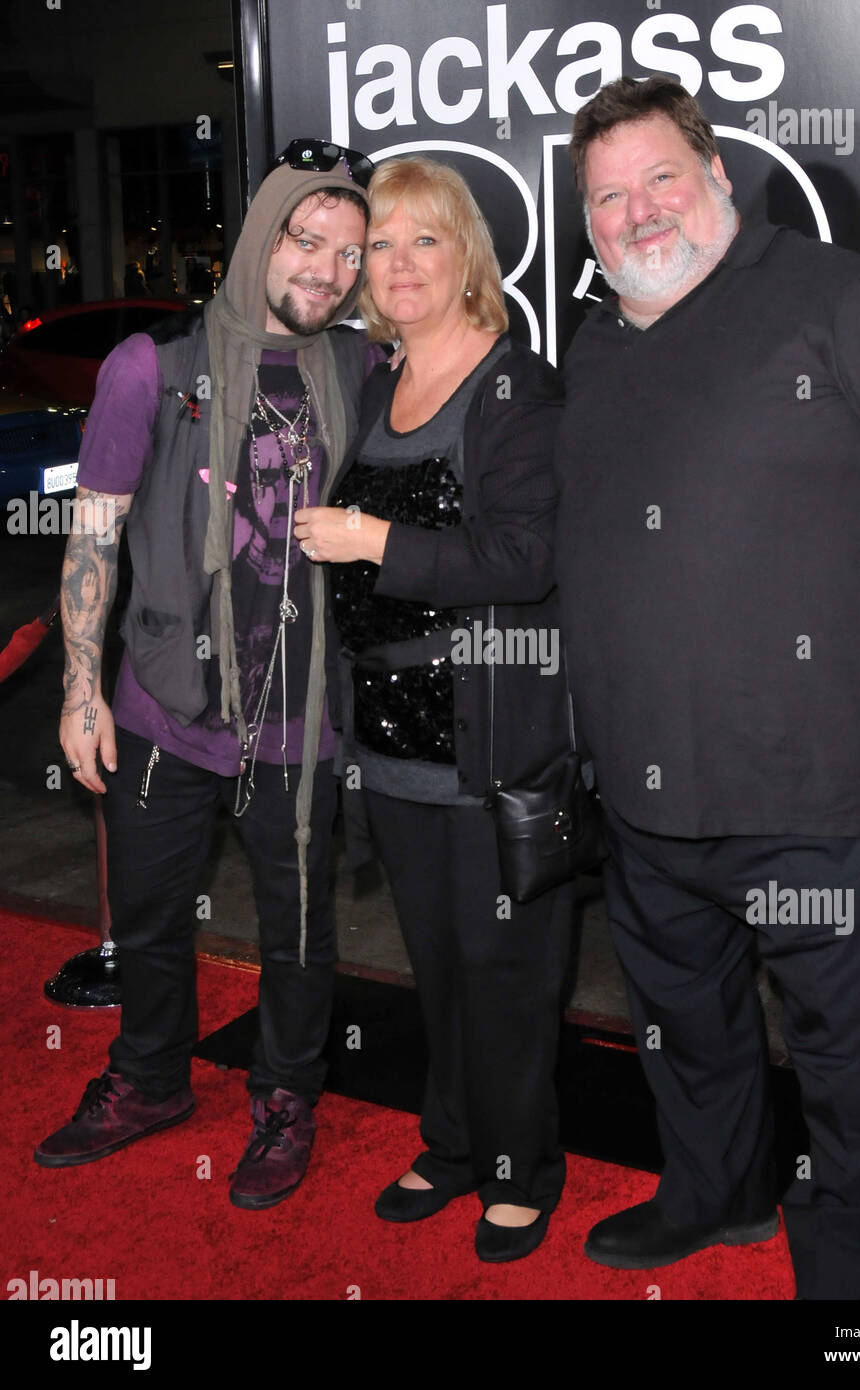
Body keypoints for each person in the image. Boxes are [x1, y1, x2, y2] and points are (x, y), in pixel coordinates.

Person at [553, 76, 860, 1300]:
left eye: (659, 180)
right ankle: (717, 1190)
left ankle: (849, 1261)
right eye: (607, 197)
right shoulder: (594, 347)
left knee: (858, 1049)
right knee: (685, 1027)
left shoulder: (835, 299)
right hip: (645, 795)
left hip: (823, 784)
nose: (638, 213)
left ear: (718, 179)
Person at [35, 139, 372, 1211]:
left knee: (301, 929)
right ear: (261, 235)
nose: (325, 268)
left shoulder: (365, 371)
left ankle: (285, 1094)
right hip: (162, 705)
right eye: (305, 239)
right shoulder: (151, 366)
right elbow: (95, 536)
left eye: (348, 252)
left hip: (302, 713)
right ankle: (149, 1080)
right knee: (146, 915)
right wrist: (80, 687)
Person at [293, 155, 574, 1262]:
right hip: (390, 738)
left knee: (506, 970)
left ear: (467, 257)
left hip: (489, 733)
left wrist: (372, 540)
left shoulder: (515, 386)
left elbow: (528, 555)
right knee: (440, 965)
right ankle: (454, 1146)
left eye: (425, 240)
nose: (400, 264)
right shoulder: (377, 381)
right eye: (384, 245)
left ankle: (520, 1167)